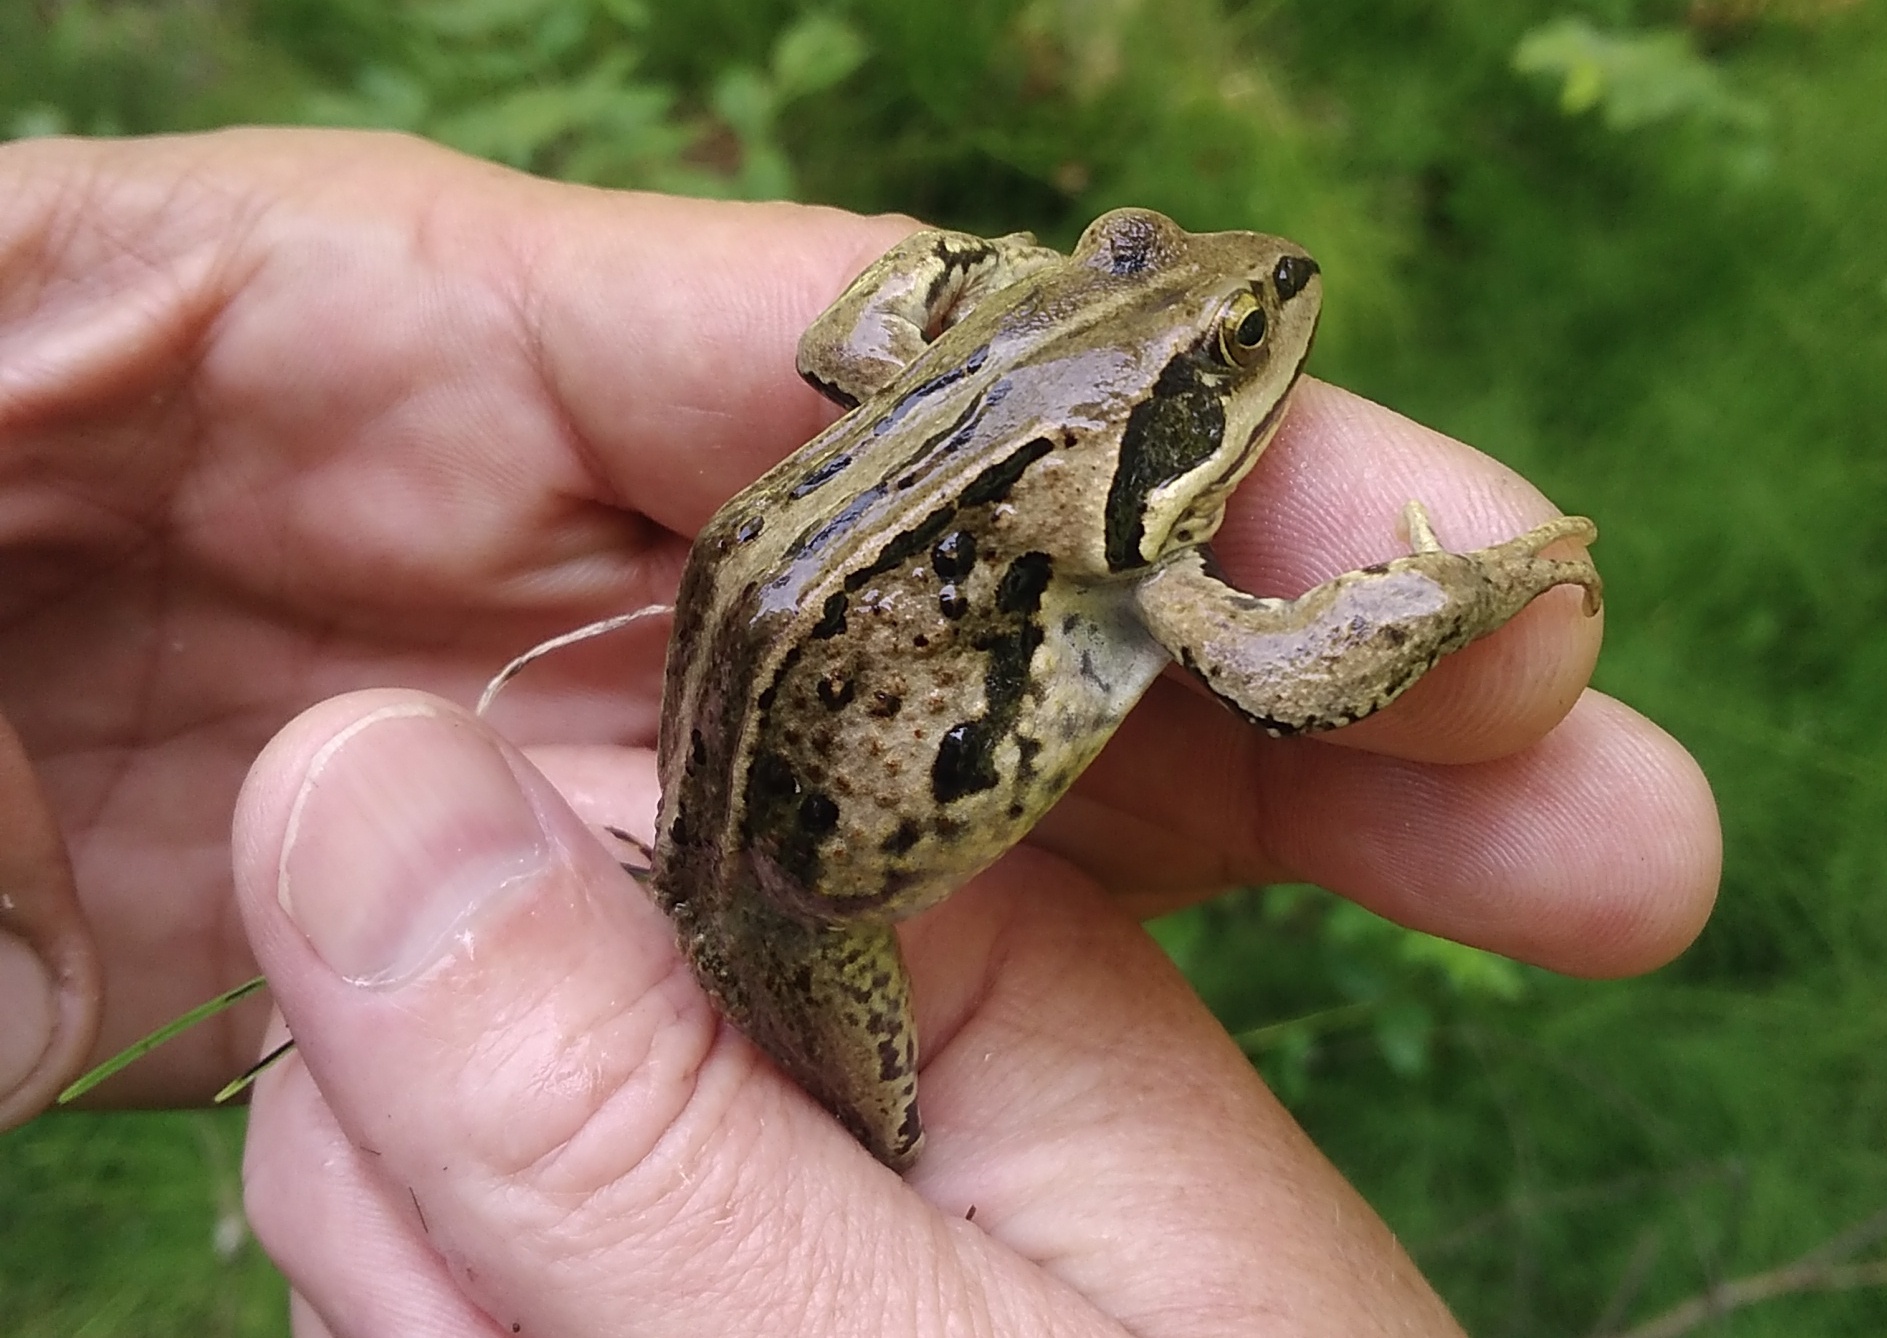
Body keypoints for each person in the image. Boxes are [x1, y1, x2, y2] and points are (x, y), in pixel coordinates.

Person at [0, 128, 1720, 1336]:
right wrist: (1468, 588)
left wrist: (993, 286)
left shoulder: (925, 382)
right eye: (1215, 347)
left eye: (1221, 327)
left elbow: (848, 333)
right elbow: (1292, 672)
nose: (1261, 299)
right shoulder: (1141, 573)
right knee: (883, 1149)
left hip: (714, 734)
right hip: (792, 900)